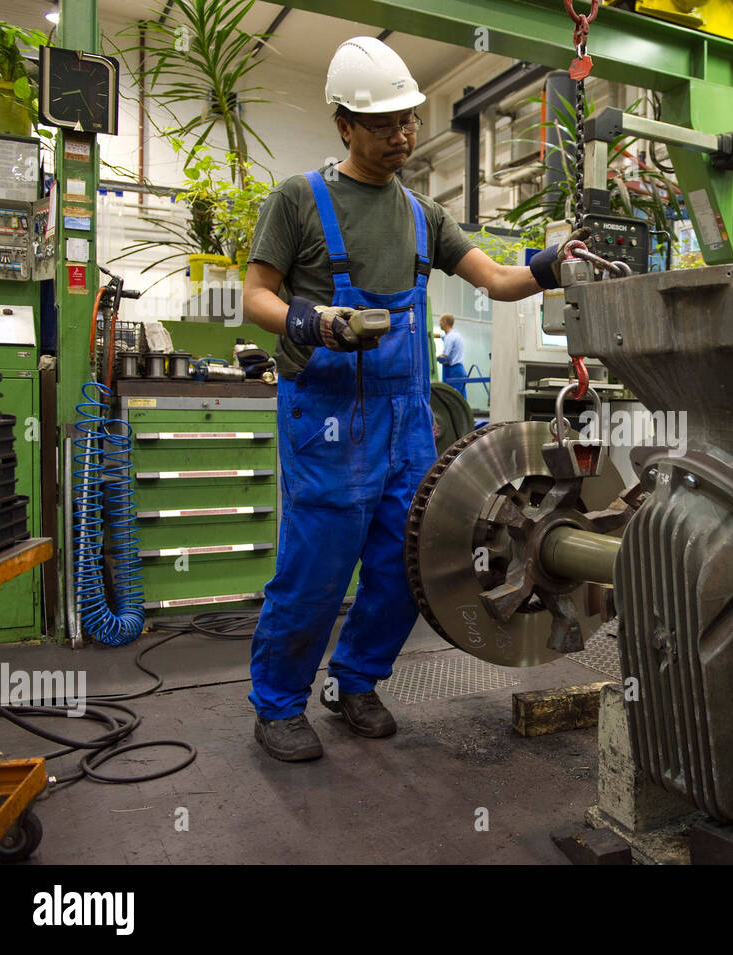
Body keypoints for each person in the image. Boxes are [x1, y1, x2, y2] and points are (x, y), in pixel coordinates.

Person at [242, 36, 587, 761]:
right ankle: (277, 703)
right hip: (328, 420)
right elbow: (257, 297)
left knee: (412, 563)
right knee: (315, 572)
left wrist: (552, 265)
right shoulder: (298, 200)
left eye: (409, 121)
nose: (401, 135)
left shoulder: (423, 214)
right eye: (383, 124)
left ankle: (355, 681)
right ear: (343, 124)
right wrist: (311, 319)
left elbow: (495, 279)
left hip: (405, 422)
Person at [434, 313, 467, 396]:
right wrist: (431, 334)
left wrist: (433, 358)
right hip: (458, 369)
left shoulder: (450, 337)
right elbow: (442, 336)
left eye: (440, 321)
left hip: (453, 370)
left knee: (453, 396)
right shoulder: (453, 334)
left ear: (445, 322)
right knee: (460, 395)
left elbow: (444, 356)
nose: (439, 324)